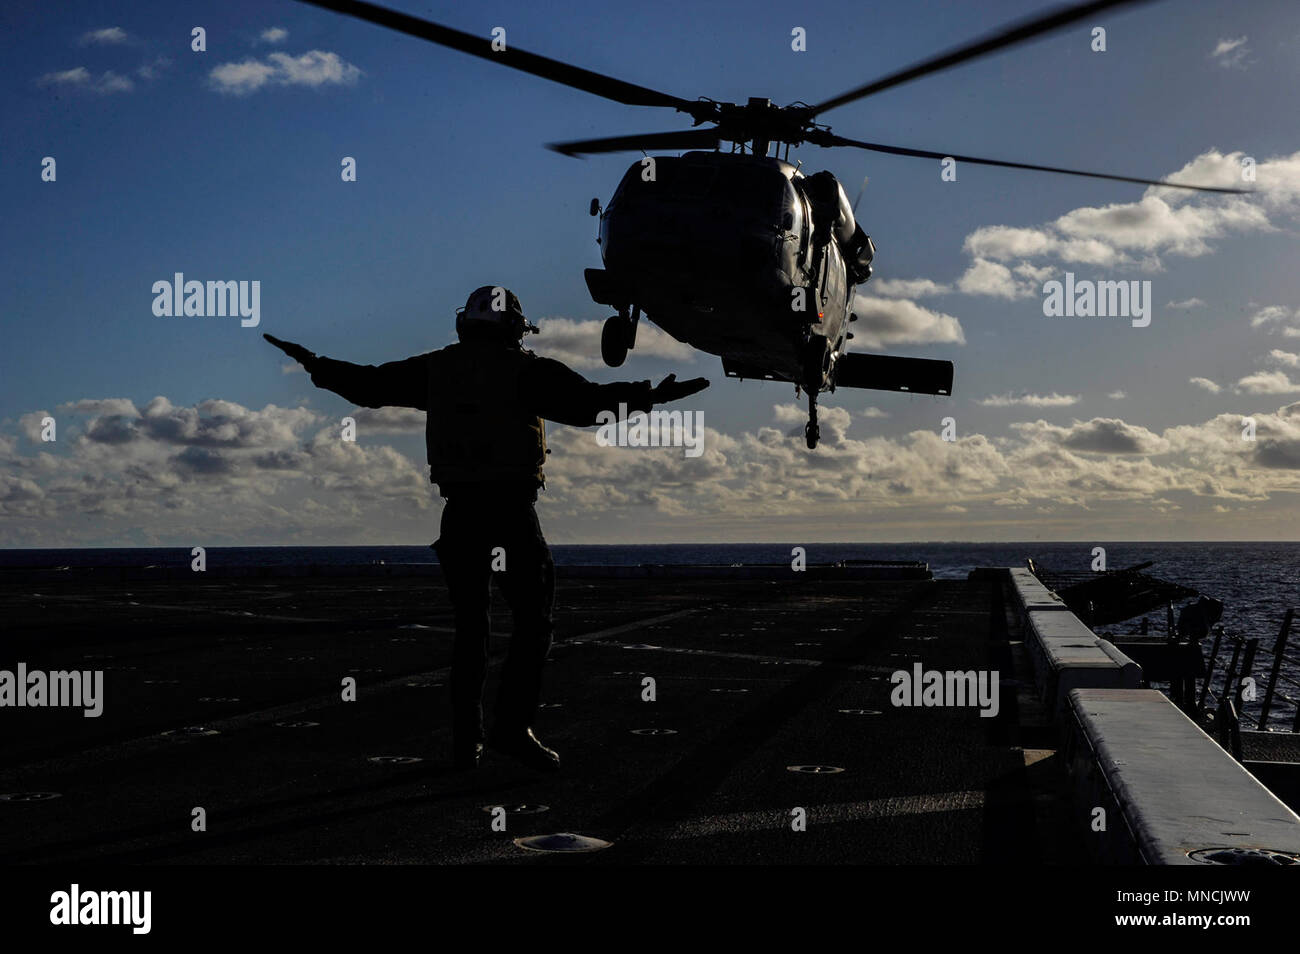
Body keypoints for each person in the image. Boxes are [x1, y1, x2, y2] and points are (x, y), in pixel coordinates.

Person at [264, 286, 708, 772]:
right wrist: (650, 396)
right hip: (511, 513)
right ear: (514, 326)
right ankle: (511, 730)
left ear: (465, 324)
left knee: (471, 629)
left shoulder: (436, 369)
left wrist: (316, 363)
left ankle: (465, 742)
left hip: (460, 514)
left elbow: (369, 387)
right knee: (534, 623)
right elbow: (588, 406)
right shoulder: (526, 370)